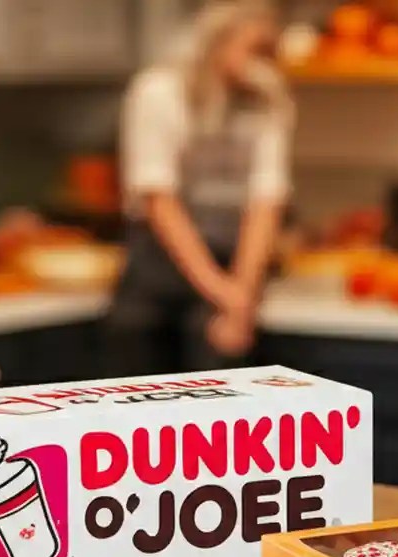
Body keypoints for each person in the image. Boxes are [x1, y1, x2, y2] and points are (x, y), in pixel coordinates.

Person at [111, 0, 293, 374]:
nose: (263, 64)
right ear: (218, 41)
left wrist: (240, 294)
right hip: (161, 259)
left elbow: (266, 200)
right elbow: (159, 200)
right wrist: (219, 289)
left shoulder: (269, 98)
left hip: (232, 258)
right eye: (254, 50)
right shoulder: (159, 92)